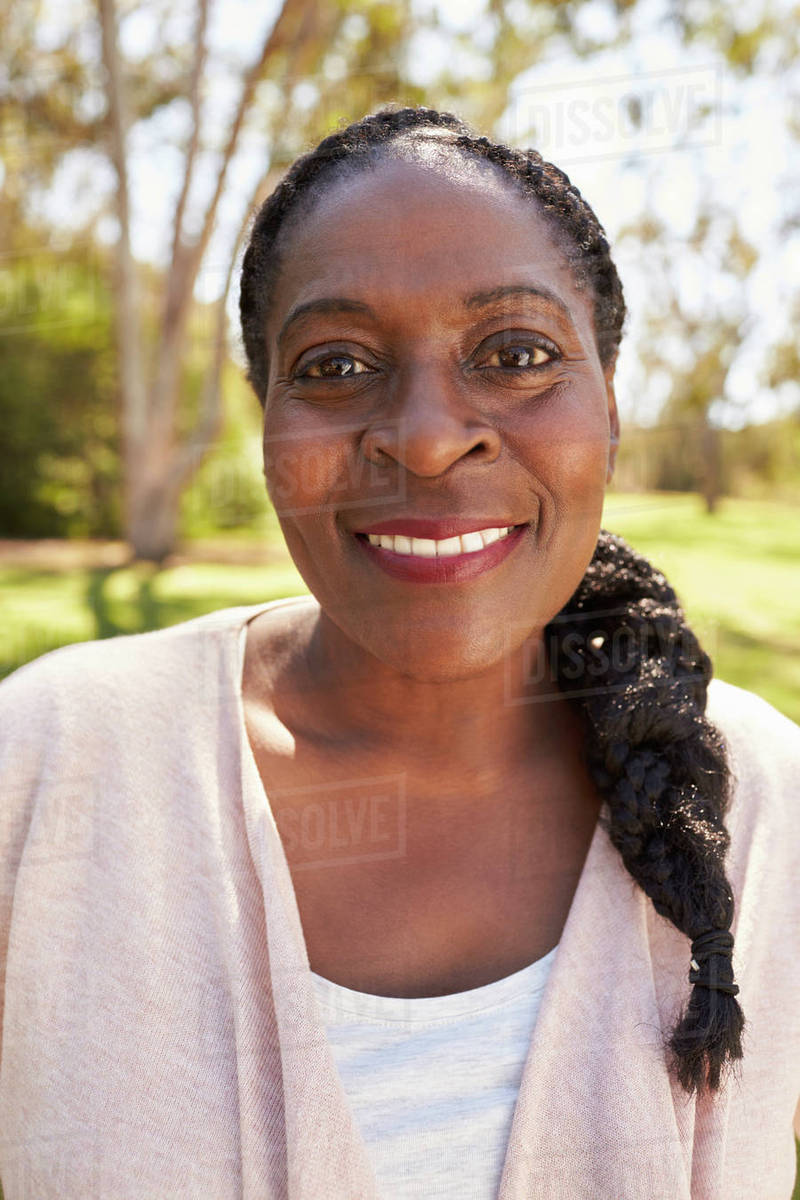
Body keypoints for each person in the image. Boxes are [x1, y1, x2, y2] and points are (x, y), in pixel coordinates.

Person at [0, 105, 798, 1199]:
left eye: (515, 354)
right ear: (267, 422)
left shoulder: (757, 802)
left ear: (606, 410)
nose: (424, 437)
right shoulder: (45, 763)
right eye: (334, 366)